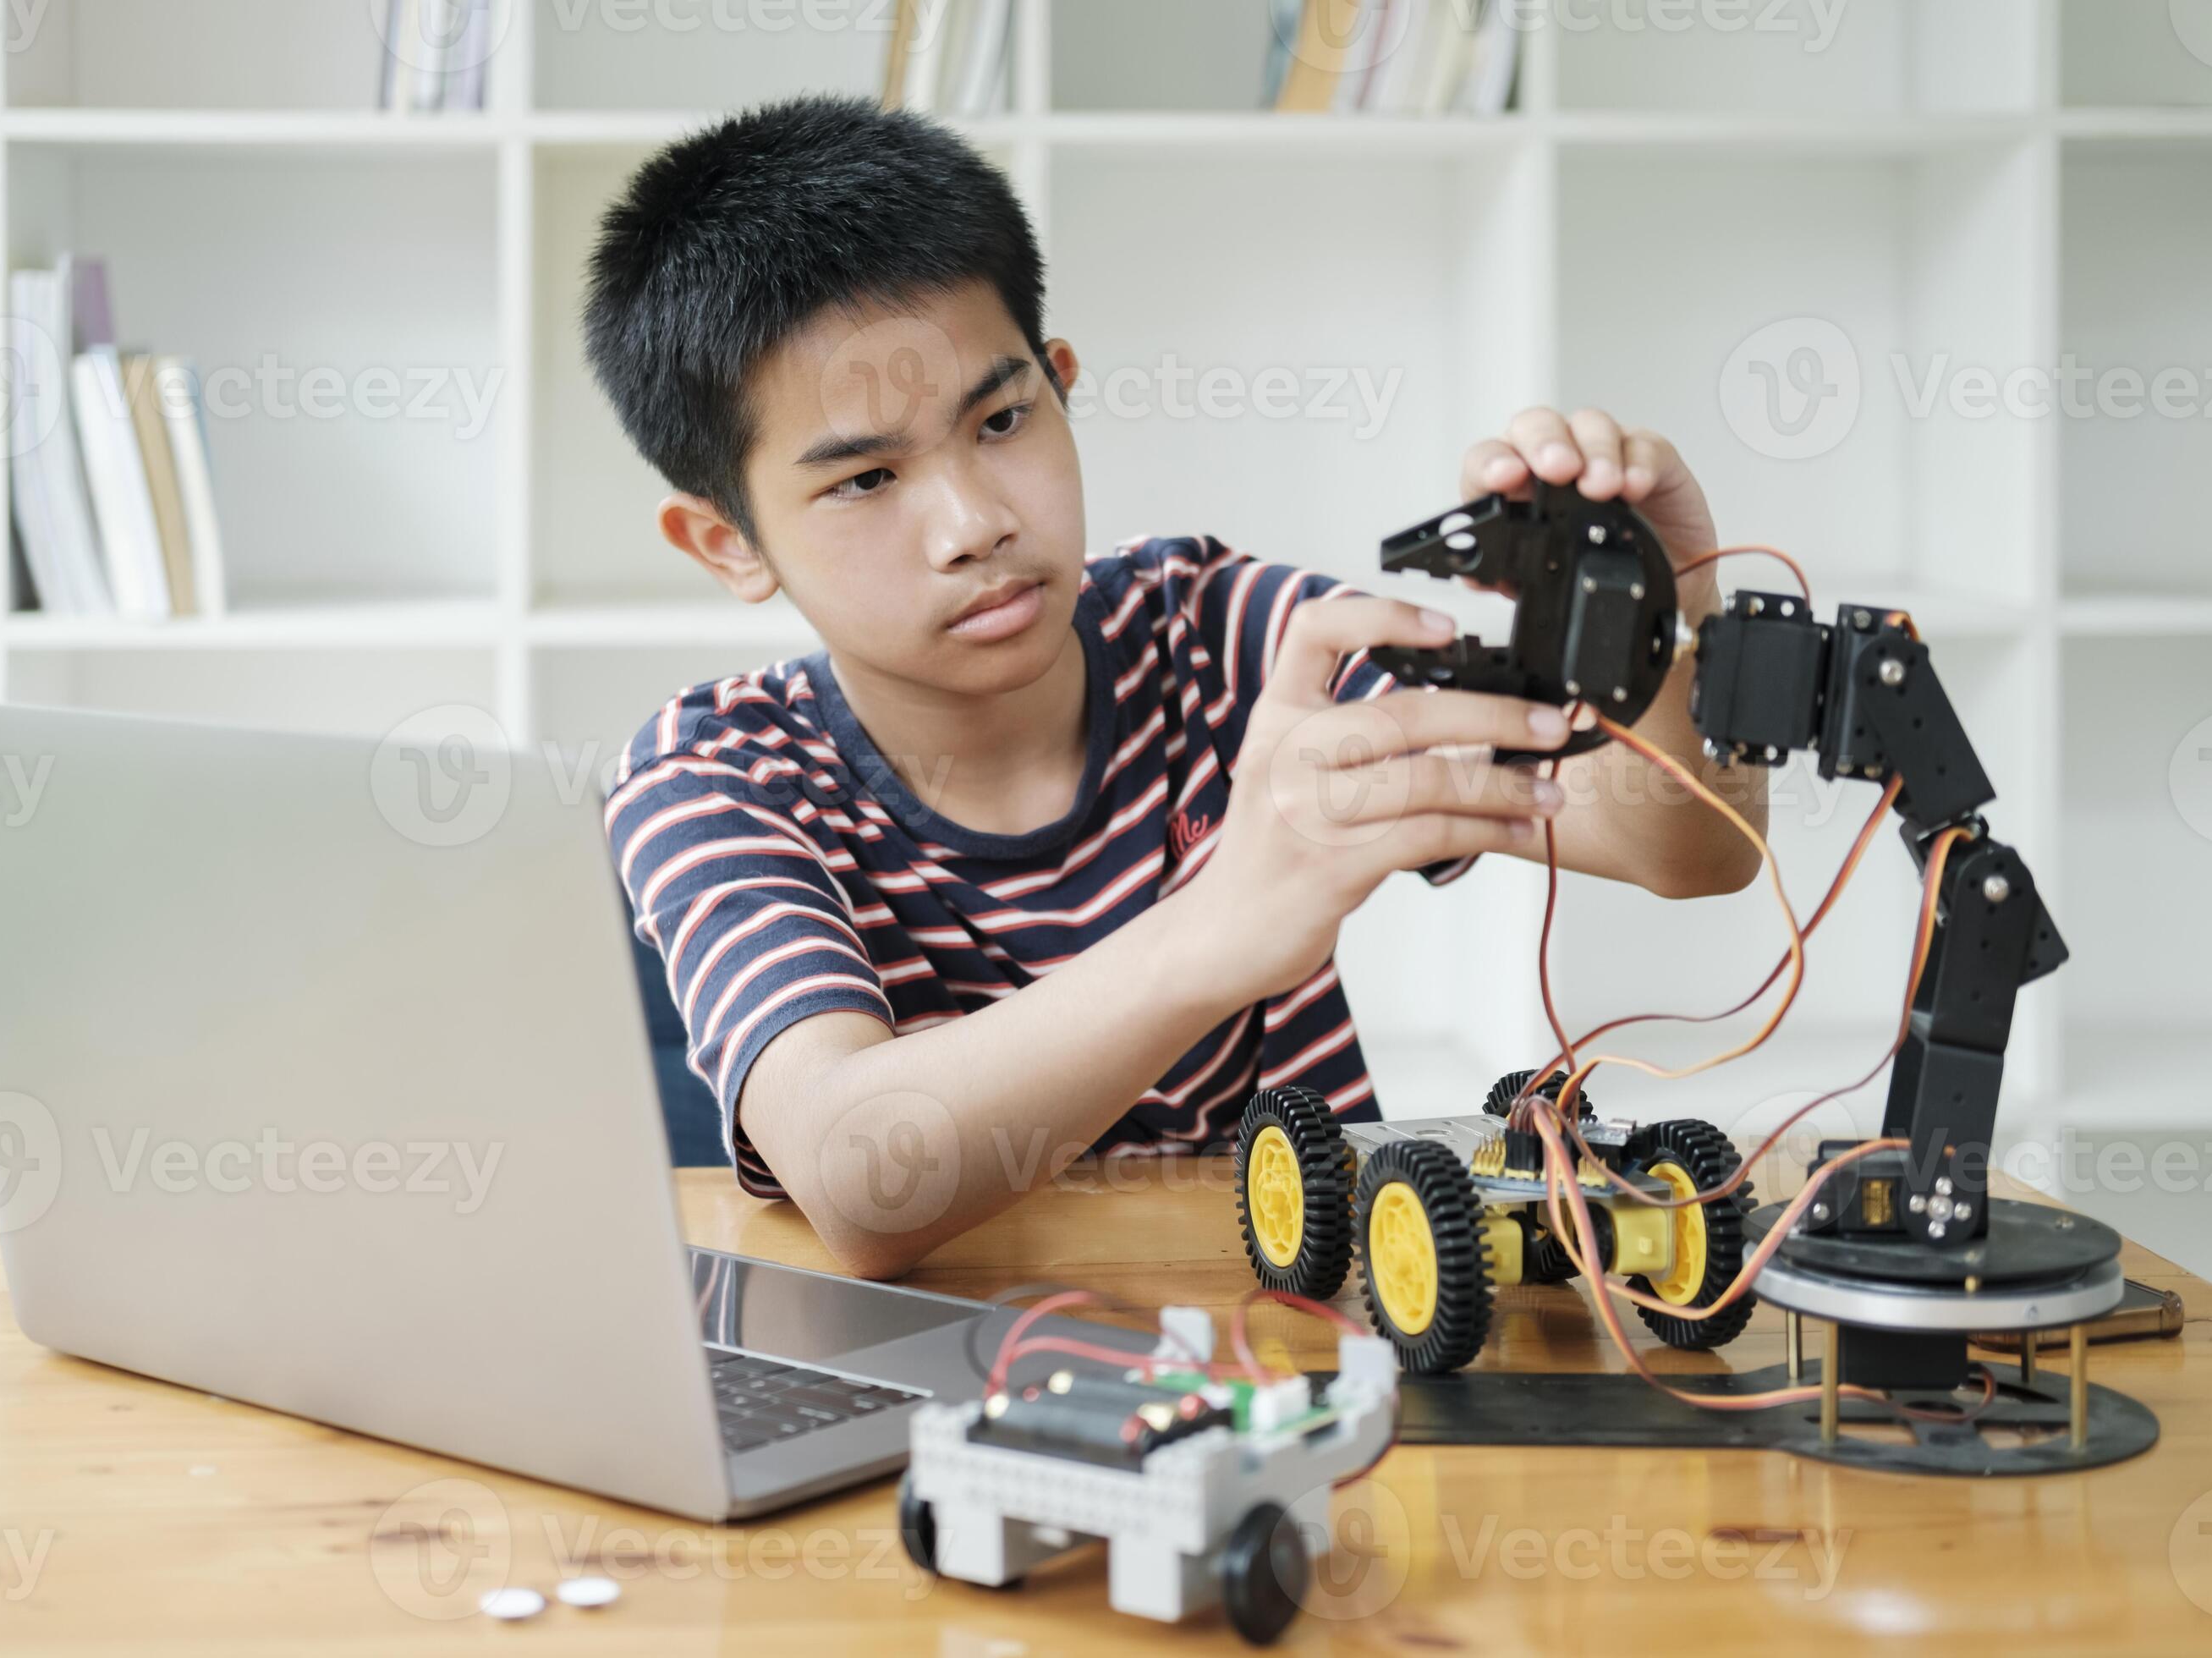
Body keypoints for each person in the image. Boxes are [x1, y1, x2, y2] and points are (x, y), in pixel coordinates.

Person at [585, 96, 1764, 1278]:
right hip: (949, 1377)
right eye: (865, 480)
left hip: (1301, 1355)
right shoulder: (714, 774)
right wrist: (1222, 924)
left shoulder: (1221, 635)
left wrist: (1661, 612)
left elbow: (1692, 848)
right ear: (727, 543)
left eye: (1001, 420)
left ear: (1059, 384)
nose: (973, 523)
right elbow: (859, 1179)